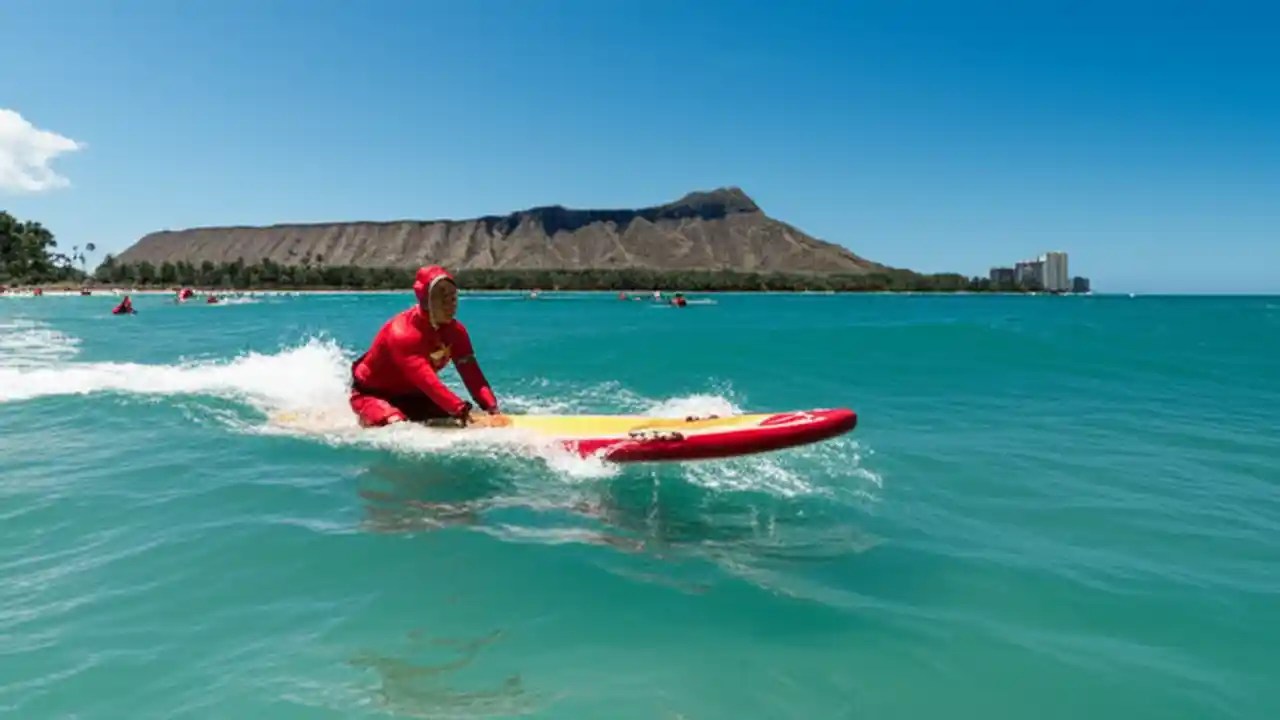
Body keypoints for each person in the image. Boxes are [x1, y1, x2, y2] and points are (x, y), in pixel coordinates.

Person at [348, 265, 503, 428]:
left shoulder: (456, 332)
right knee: (397, 425)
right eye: (442, 297)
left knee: (457, 423)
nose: (450, 304)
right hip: (373, 394)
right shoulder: (403, 333)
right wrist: (460, 409)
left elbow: (472, 374)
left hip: (414, 394)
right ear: (426, 301)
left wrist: (492, 408)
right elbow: (426, 381)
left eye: (452, 297)